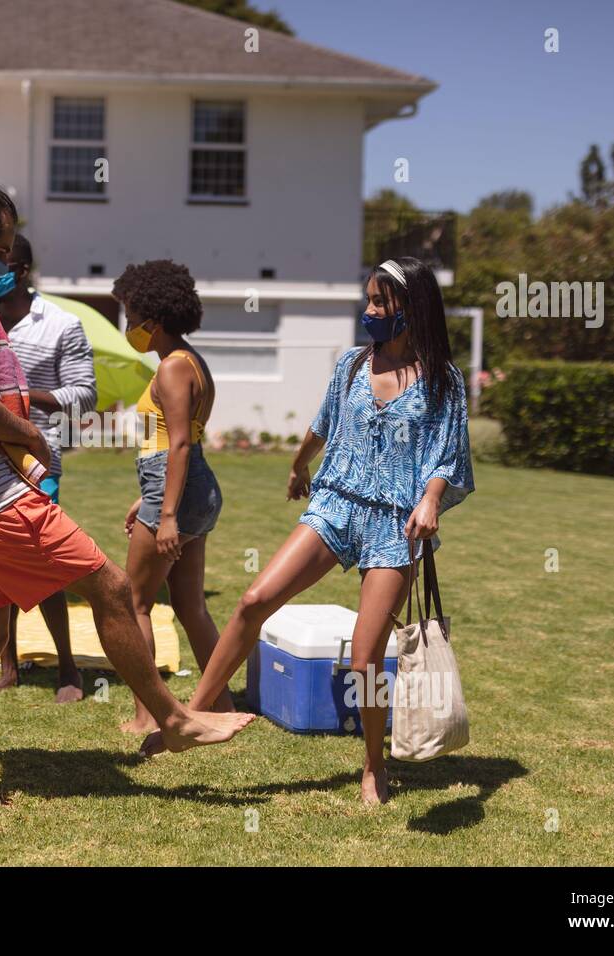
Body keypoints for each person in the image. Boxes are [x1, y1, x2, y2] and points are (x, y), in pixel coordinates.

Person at [0, 178, 253, 809]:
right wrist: (32, 439)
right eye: (1, 244)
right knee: (110, 587)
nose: (7, 260)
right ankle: (174, 719)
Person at [142, 257, 474, 805]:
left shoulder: (443, 380)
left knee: (366, 656)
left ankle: (373, 765)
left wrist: (432, 500)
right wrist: (299, 466)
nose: (368, 311)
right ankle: (192, 718)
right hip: (336, 505)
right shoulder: (350, 364)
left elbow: (447, 454)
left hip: (395, 522)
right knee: (253, 599)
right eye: (367, 299)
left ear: (409, 309)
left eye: (379, 303)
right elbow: (323, 423)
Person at [113, 260, 234, 734]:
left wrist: (164, 514)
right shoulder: (194, 361)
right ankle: (220, 703)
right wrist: (146, 498)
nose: (128, 326)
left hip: (175, 491)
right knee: (190, 607)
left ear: (153, 320)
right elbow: (175, 445)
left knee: (134, 603)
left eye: (130, 315)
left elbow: (178, 442)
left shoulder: (170, 368)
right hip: (189, 488)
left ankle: (148, 715)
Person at [0, 234, 97, 702]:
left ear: (24, 269)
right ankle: (8, 665)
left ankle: (68, 668)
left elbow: (85, 395)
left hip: (37, 459)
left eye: (1, 262)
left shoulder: (61, 324)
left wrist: (24, 399)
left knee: (44, 559)